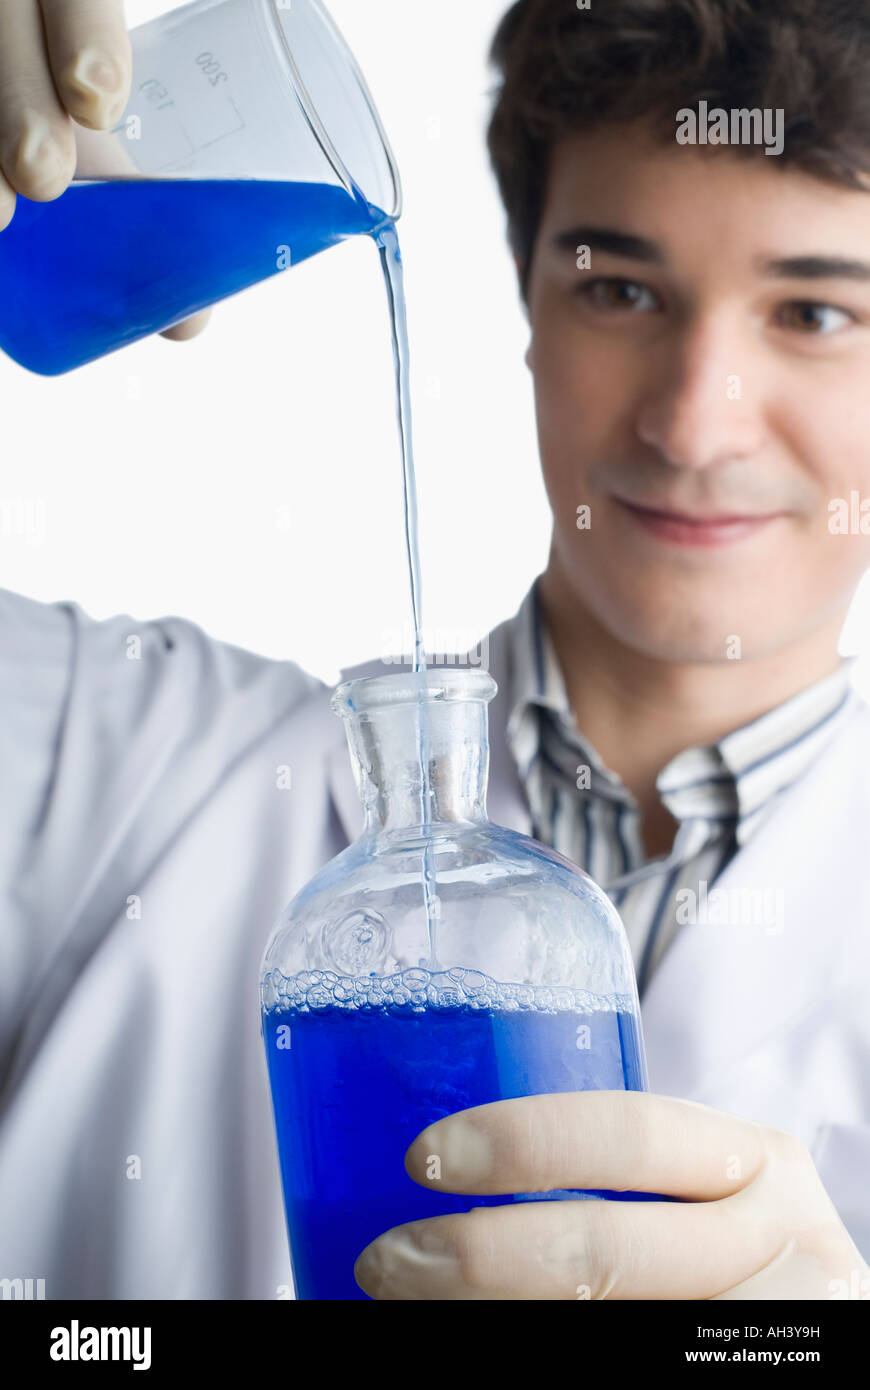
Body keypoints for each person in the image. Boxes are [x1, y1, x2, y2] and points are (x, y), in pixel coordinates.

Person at [1, 0, 869, 1301]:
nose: (696, 424)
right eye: (619, 289)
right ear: (525, 305)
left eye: (812, 314)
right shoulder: (109, 760)